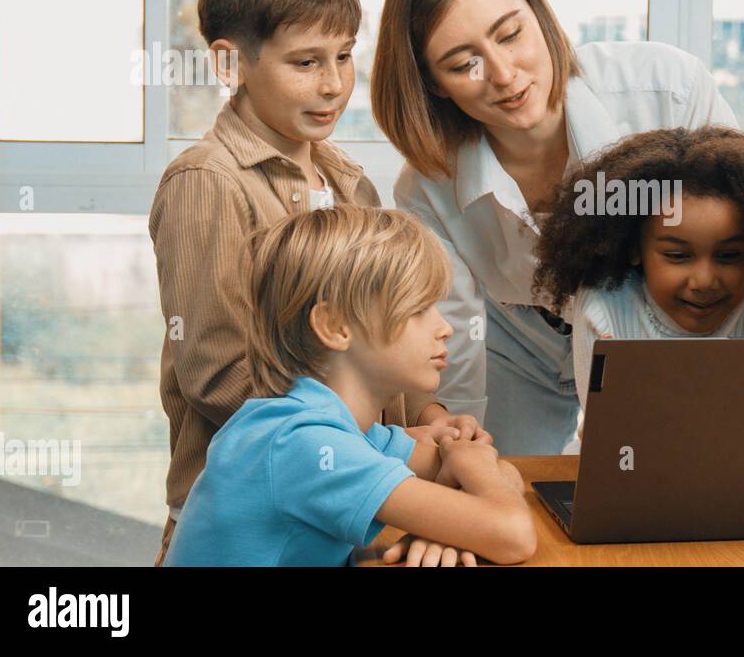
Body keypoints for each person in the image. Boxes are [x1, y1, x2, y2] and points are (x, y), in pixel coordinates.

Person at [149, 0, 483, 565]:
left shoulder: (347, 179)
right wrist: (389, 453)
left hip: (348, 511)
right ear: (228, 64)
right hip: (250, 533)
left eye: (344, 56)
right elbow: (219, 378)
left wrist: (429, 420)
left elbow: (378, 335)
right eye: (305, 63)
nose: (333, 85)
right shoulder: (207, 182)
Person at [371, 0, 738, 454]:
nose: (503, 74)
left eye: (510, 35)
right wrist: (452, 432)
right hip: (515, 337)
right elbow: (453, 325)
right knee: (506, 481)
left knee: (671, 468)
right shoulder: (427, 187)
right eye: (462, 64)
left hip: (653, 314)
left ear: (539, 16)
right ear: (433, 84)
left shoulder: (668, 90)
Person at [163, 206, 535, 567]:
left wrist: (451, 527)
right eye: (418, 309)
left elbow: (505, 477)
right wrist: (470, 492)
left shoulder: (352, 434)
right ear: (336, 326)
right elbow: (513, 532)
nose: (445, 327)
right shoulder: (303, 444)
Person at [531, 126, 744, 452]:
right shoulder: (605, 306)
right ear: (634, 249)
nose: (704, 281)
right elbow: (615, 432)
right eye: (678, 256)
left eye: (729, 256)